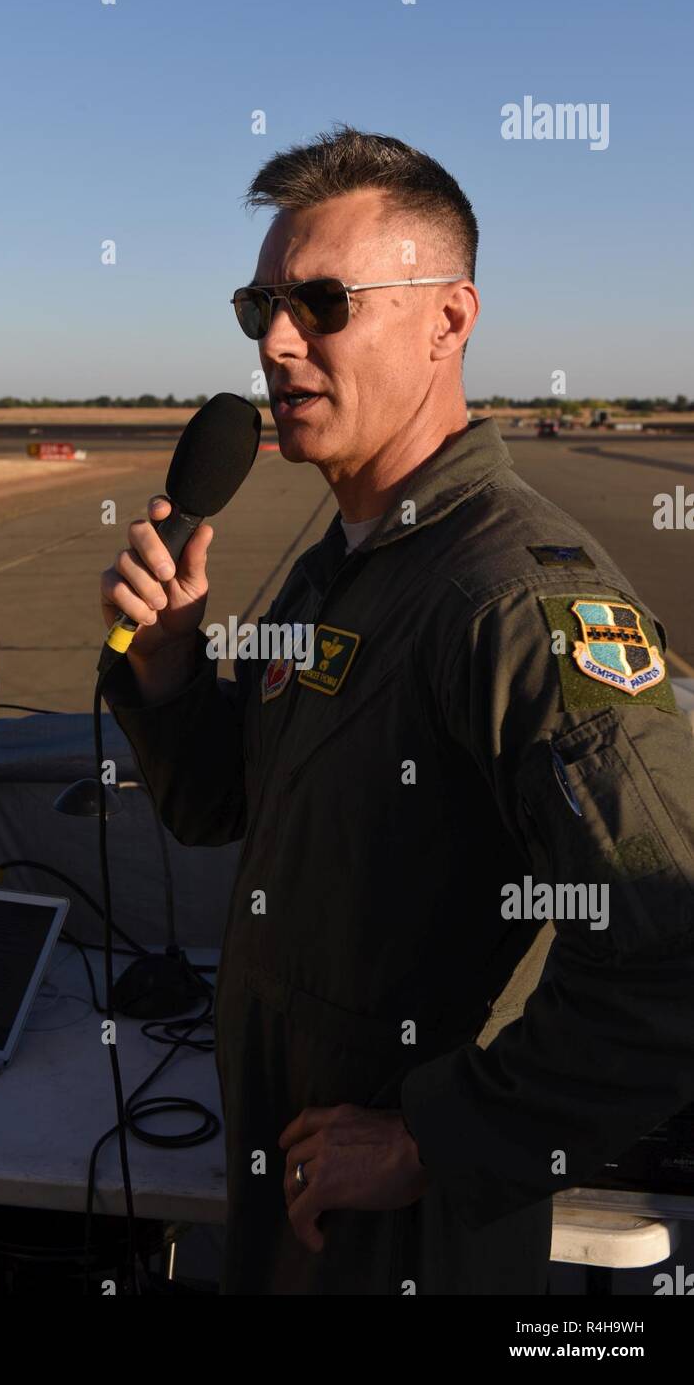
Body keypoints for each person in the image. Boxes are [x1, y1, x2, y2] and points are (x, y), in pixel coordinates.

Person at [98, 126, 694, 1295]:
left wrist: (435, 1139)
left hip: (411, 1240)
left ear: (449, 321)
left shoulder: (516, 596)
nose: (276, 340)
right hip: (290, 1185)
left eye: (322, 302)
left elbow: (674, 953)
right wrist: (169, 671)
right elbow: (231, 802)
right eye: (259, 303)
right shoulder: (346, 563)